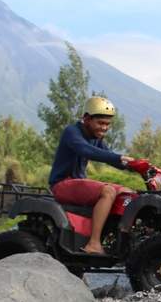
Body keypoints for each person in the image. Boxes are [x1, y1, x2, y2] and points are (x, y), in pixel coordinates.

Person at [48, 95, 149, 254]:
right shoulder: (72, 132)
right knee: (108, 191)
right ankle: (94, 243)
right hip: (62, 184)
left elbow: (110, 157)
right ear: (87, 118)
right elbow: (86, 150)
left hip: (77, 183)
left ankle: (122, 239)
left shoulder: (95, 137)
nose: (104, 128)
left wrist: (136, 166)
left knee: (127, 193)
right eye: (100, 123)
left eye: (107, 124)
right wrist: (119, 158)